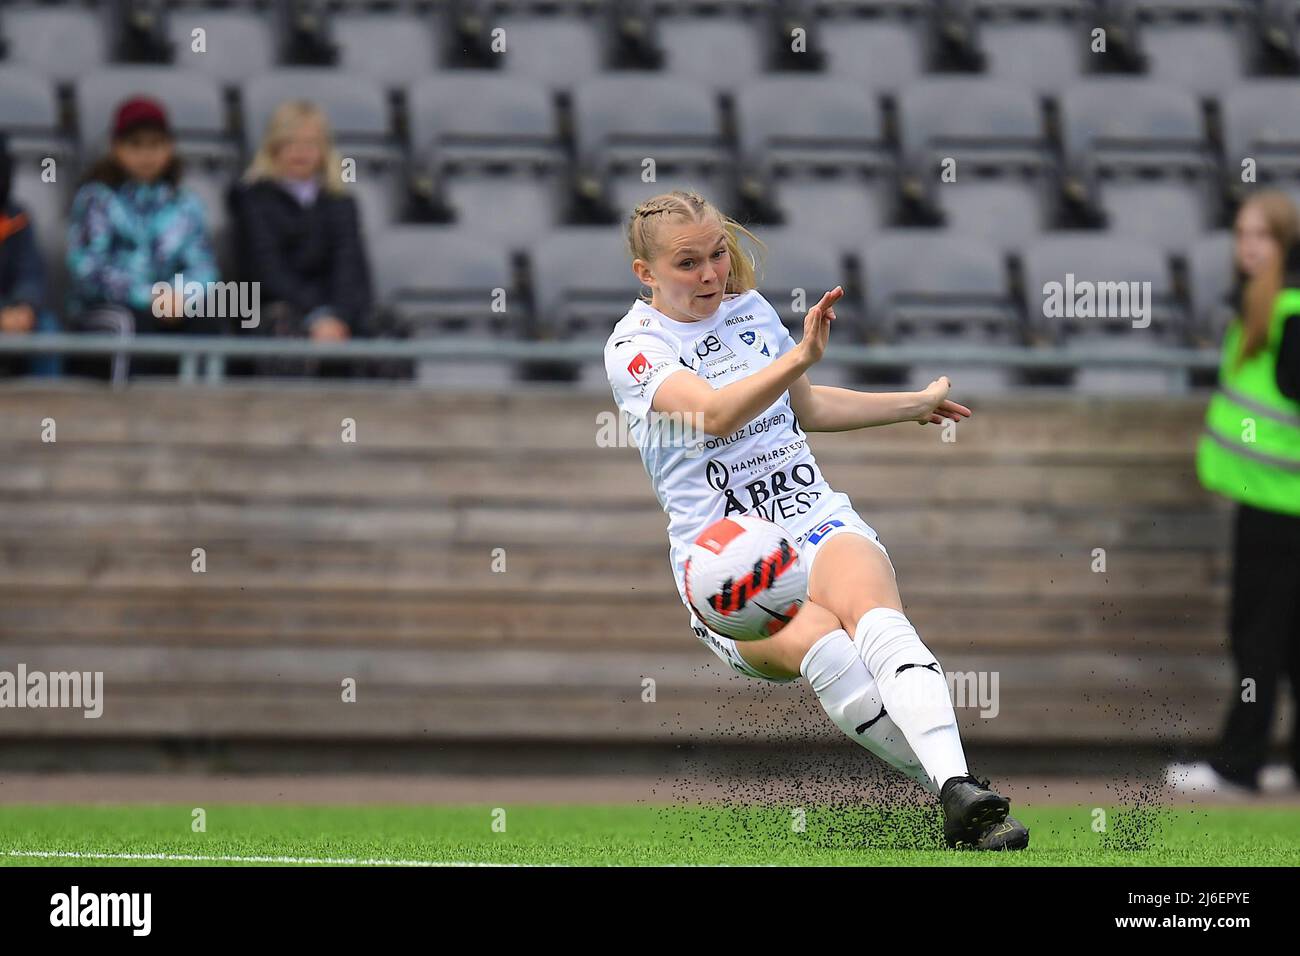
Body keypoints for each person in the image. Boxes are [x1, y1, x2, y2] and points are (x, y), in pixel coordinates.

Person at [604, 188, 1028, 850]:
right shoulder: (636, 346)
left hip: (809, 512)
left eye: (718, 254)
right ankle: (956, 784)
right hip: (726, 558)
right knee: (827, 647)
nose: (712, 273)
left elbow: (805, 408)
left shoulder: (750, 312)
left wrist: (908, 405)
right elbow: (715, 413)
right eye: (688, 263)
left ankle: (966, 799)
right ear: (646, 274)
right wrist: (798, 357)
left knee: (876, 615)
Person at [1169, 189, 1300, 796]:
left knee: (1256, 638)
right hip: (1271, 502)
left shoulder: (1288, 315)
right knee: (1288, 643)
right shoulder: (1263, 308)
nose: (1247, 246)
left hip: (1282, 509)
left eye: (1262, 236)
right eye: (1241, 233)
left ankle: (1239, 764)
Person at [65, 96, 222, 381]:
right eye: (135, 144)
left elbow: (204, 268)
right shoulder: (95, 200)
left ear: (169, 148)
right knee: (130, 324)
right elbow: (88, 270)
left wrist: (179, 296)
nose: (146, 155)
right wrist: (150, 296)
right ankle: (128, 416)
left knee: (214, 313)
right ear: (116, 148)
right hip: (108, 308)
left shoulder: (186, 205)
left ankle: (203, 414)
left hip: (171, 304)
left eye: (155, 145)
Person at [229, 100, 372, 377]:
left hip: (334, 314)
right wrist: (316, 315)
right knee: (283, 328)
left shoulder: (341, 203)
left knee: (386, 326)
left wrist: (337, 316)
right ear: (273, 147)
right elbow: (266, 271)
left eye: (310, 143)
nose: (300, 152)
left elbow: (350, 266)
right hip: (274, 308)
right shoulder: (251, 200)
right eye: (290, 142)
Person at [0, 133, 60, 377]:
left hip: (12, 309)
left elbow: (31, 272)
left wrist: (24, 307)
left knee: (46, 328)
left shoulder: (19, 217)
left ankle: (48, 408)